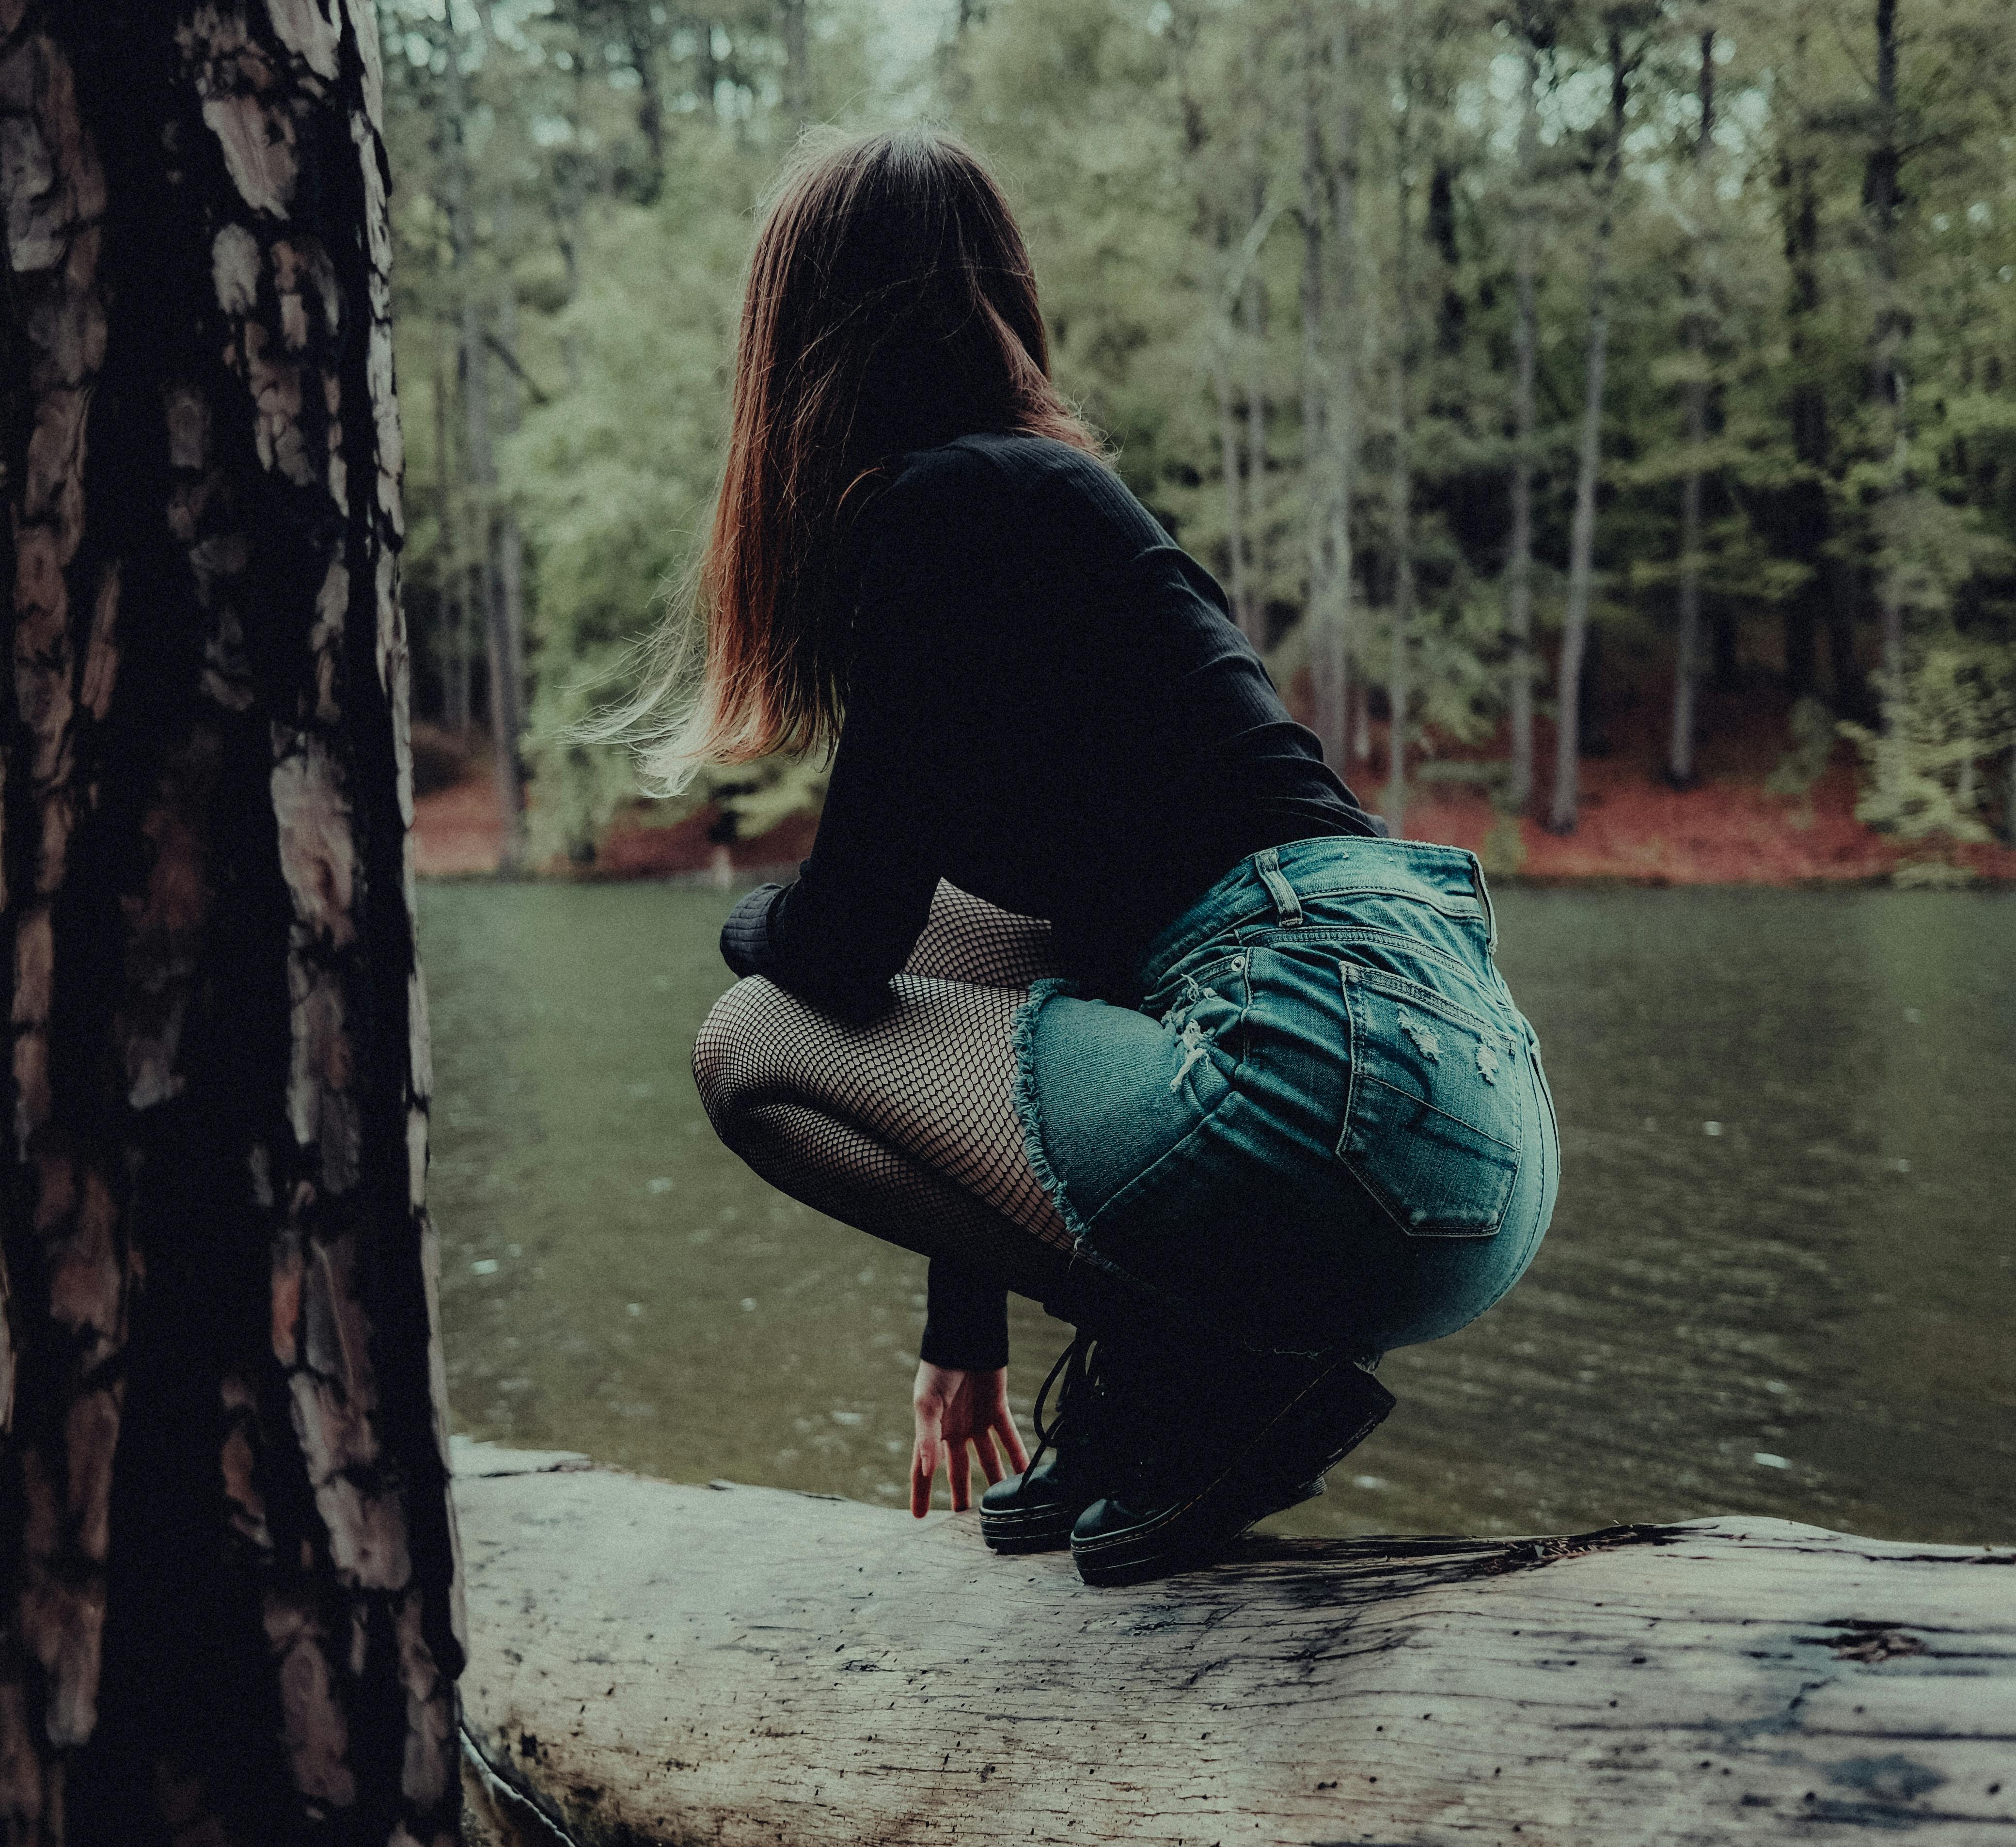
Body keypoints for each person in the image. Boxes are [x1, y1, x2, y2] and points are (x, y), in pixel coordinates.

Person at [627, 128, 1559, 1586]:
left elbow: (843, 949)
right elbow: (982, 955)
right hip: (1479, 1143)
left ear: (793, 342)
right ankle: (1203, 1378)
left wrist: (750, 921)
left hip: (1324, 1084)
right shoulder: (1046, 512)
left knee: (749, 1044)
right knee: (957, 942)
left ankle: (1209, 1365)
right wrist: (965, 1331)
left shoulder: (931, 511)